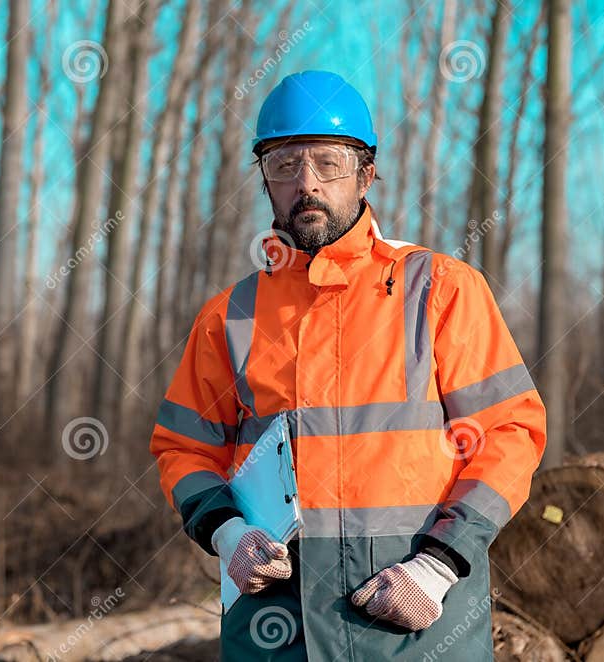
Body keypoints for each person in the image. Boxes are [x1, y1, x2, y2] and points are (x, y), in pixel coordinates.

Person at [149, 70, 547, 661]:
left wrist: (440, 565)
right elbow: (183, 450)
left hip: (416, 631)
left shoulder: (439, 290)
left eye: (328, 163)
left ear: (365, 174)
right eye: (284, 164)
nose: (305, 183)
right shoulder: (229, 315)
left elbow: (510, 434)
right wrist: (229, 533)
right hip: (274, 634)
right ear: (265, 179)